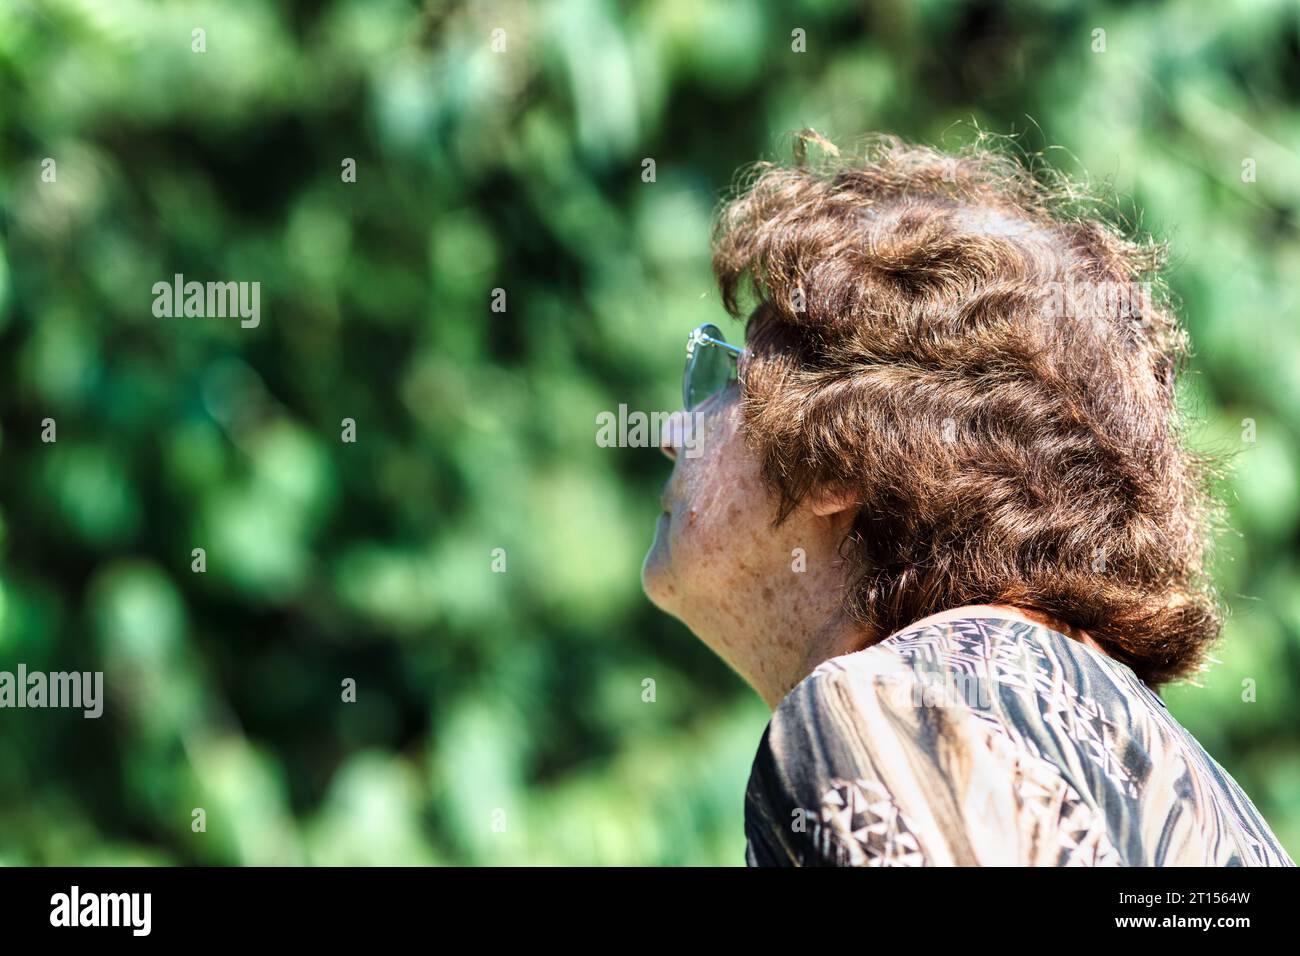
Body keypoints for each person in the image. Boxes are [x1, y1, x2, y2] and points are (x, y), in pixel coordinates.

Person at [641, 133, 1294, 867]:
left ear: (839, 454)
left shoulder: (887, 715)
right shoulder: (1200, 793)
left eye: (727, 379)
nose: (672, 432)